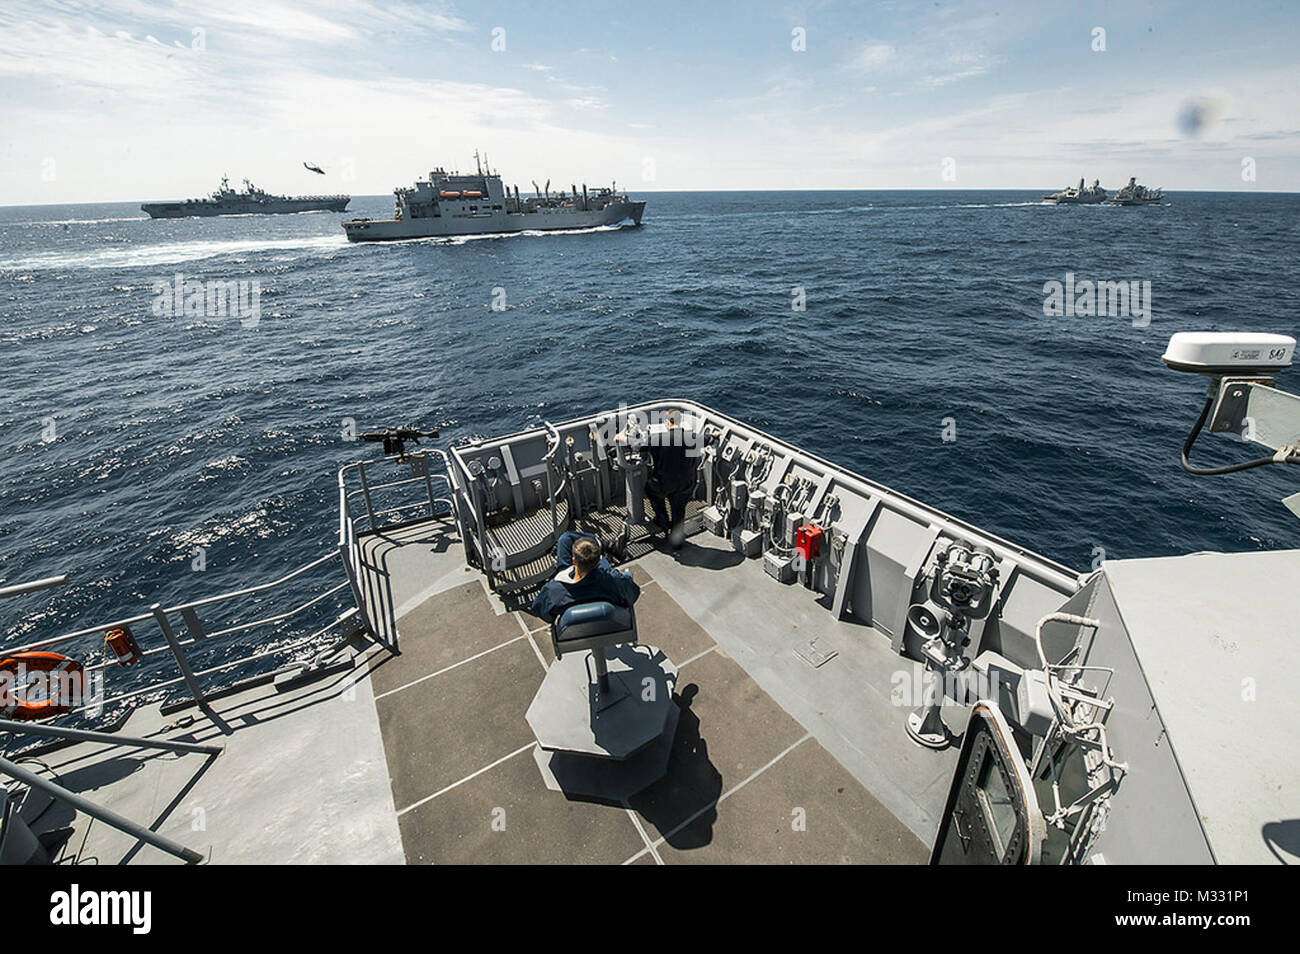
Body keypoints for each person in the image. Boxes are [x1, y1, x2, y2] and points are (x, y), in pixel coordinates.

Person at [529, 531, 640, 623]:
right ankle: (605, 545)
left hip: (573, 633)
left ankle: (603, 544)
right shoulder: (614, 580)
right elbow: (633, 593)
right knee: (565, 539)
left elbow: (541, 610)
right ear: (599, 561)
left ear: (574, 561)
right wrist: (625, 576)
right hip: (609, 618)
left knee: (565, 539)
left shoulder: (554, 591)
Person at [645, 411, 696, 547]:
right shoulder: (692, 437)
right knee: (679, 510)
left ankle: (662, 519)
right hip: (684, 484)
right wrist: (714, 435)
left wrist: (622, 438)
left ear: (668, 423)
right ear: (679, 422)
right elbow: (707, 438)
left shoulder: (659, 439)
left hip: (662, 484)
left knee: (651, 490)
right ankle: (677, 541)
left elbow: (638, 444)